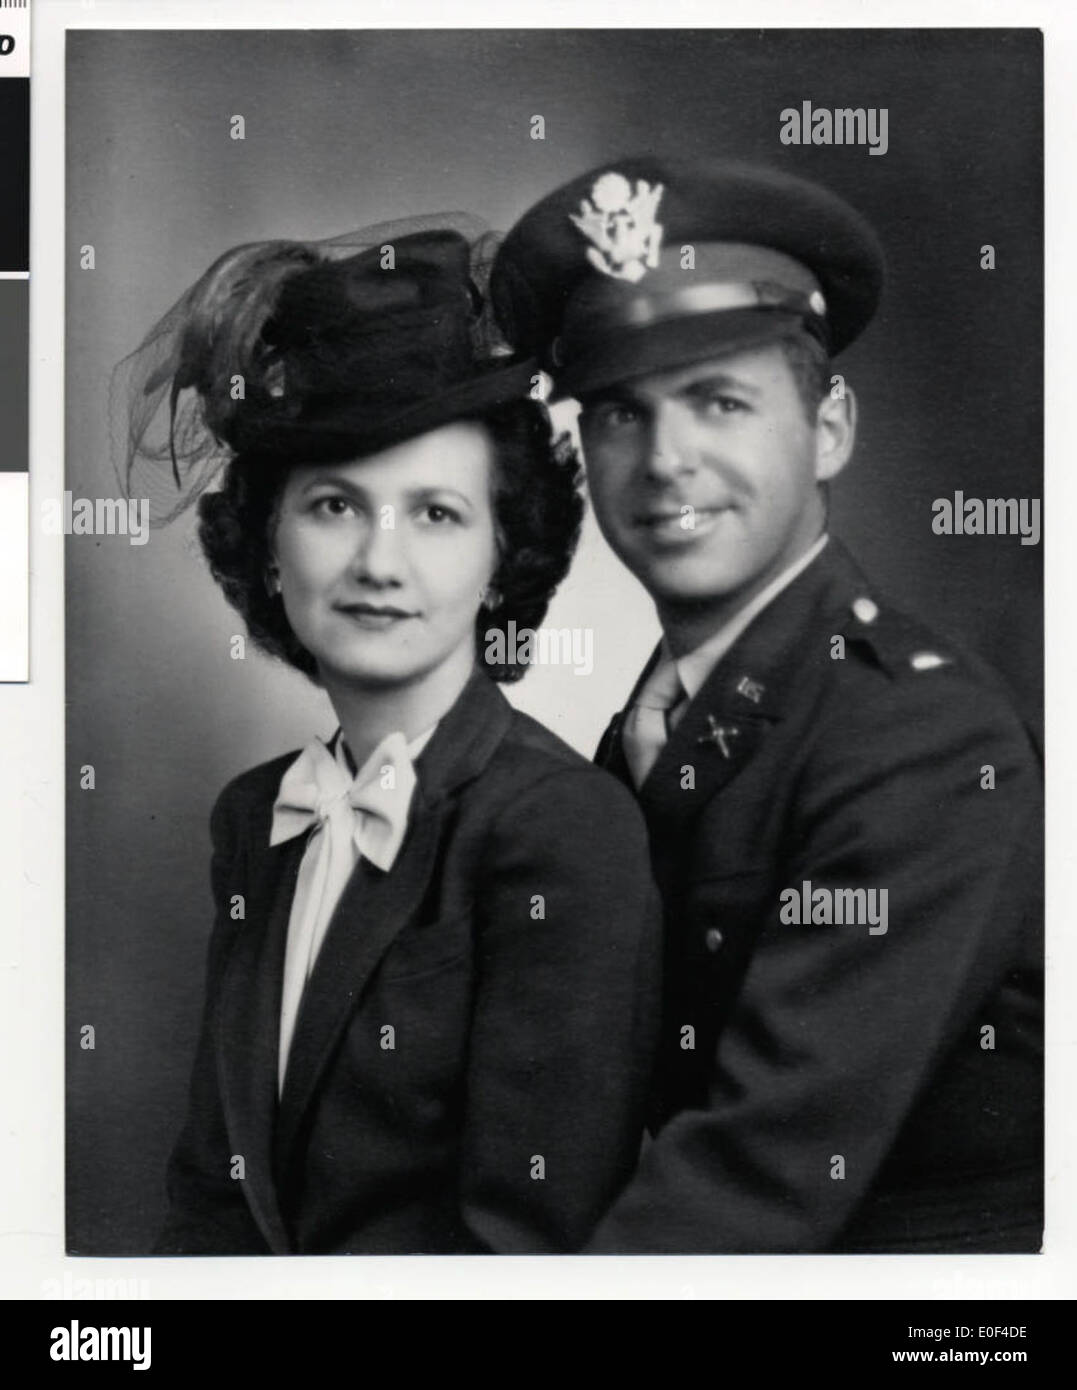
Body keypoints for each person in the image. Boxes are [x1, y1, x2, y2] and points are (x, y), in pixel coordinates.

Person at [492, 160, 1043, 1252]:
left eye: (721, 402)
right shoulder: (649, 722)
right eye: (618, 415)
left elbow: (754, 1181)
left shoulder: (920, 736)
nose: (665, 463)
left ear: (830, 426)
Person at [118, 218, 661, 1254]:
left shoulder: (560, 829)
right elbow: (213, 1195)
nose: (379, 559)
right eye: (333, 505)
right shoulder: (253, 816)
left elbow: (530, 1245)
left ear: (507, 554)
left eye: (437, 514)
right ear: (271, 548)